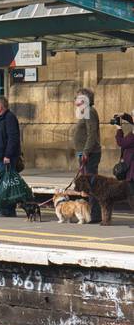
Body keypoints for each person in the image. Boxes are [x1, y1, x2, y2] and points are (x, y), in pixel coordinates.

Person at [0, 94, 22, 217]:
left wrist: (8, 155)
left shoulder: (9, 118)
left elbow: (13, 138)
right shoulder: (1, 118)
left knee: (7, 184)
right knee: (2, 184)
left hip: (6, 159)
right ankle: (3, 208)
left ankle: (8, 210)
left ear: (0, 106)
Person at [72, 88, 102, 224]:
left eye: (77, 97)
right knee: (86, 184)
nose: (75, 100)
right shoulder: (84, 112)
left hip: (89, 154)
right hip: (84, 152)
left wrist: (86, 152)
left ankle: (95, 214)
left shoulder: (89, 111)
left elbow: (92, 134)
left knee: (91, 184)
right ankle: (88, 213)